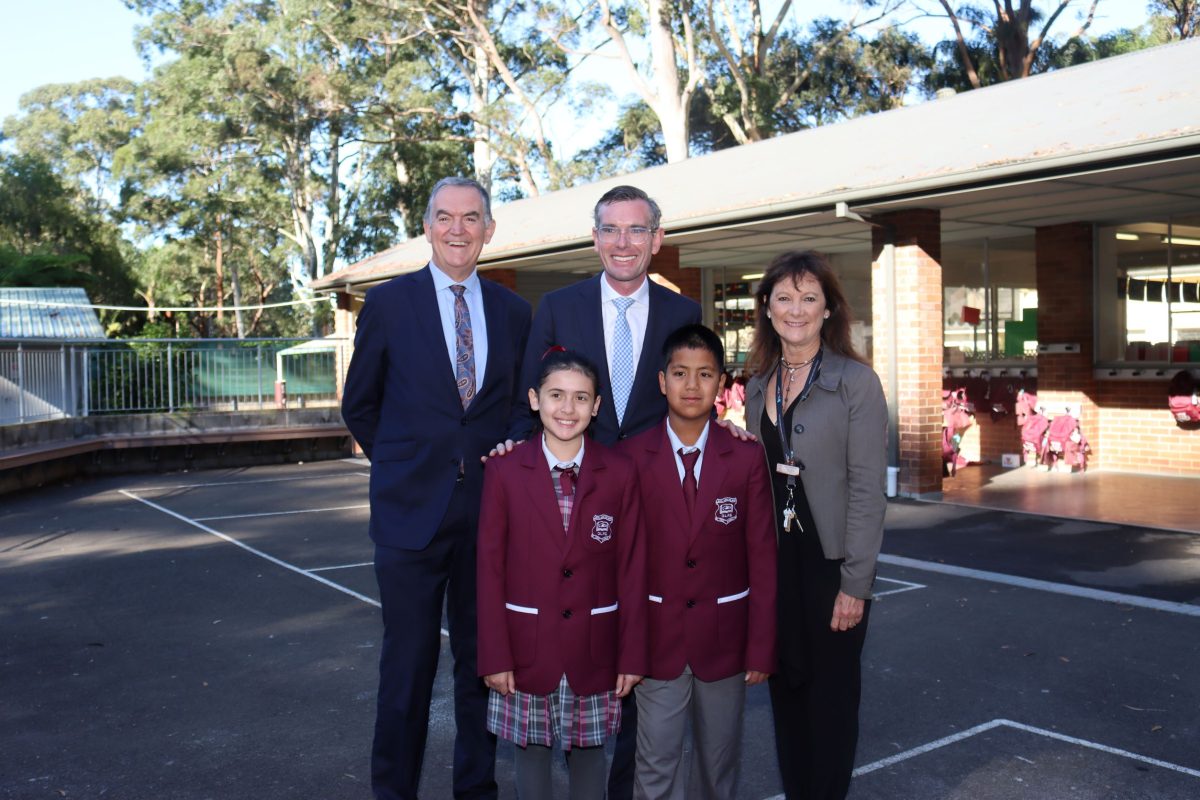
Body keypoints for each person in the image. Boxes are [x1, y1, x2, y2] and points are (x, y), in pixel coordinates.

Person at [501, 184, 702, 798]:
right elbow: (528, 397)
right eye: (610, 230)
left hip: (652, 500)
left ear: (657, 240)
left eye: (637, 230)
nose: (623, 242)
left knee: (635, 637)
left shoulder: (683, 314)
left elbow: (691, 402)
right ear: (594, 238)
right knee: (573, 632)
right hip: (569, 496)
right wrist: (515, 451)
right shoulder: (557, 307)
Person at [341, 176, 532, 800]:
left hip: (488, 515)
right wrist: (404, 465)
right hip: (409, 518)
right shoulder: (390, 305)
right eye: (445, 218)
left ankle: (475, 789)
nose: (458, 229)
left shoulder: (512, 311)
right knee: (408, 669)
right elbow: (359, 405)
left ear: (489, 229)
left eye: (471, 218)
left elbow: (522, 408)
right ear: (427, 228)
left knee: (484, 668)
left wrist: (505, 447)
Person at [743, 250, 887, 800]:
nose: (795, 309)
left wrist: (856, 584)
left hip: (832, 568)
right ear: (767, 307)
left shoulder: (856, 382)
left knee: (829, 703)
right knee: (787, 693)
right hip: (777, 566)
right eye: (784, 297)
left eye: (809, 298)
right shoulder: (759, 384)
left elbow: (868, 491)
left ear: (828, 310)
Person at [477, 348, 647, 800]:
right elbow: (489, 570)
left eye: (579, 398)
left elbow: (632, 569)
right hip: (526, 646)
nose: (566, 409)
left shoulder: (620, 473)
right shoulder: (505, 470)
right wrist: (494, 655)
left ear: (596, 406)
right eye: (556, 395)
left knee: (591, 757)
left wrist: (631, 655)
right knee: (530, 756)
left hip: (595, 646)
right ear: (535, 399)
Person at [622, 324, 777, 800]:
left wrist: (760, 647)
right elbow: (622, 566)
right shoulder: (629, 458)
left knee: (718, 766)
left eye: (705, 374)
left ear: (721, 384)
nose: (692, 386)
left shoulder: (746, 457)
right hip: (656, 641)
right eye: (681, 373)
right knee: (655, 766)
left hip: (724, 642)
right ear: (661, 381)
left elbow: (763, 558)